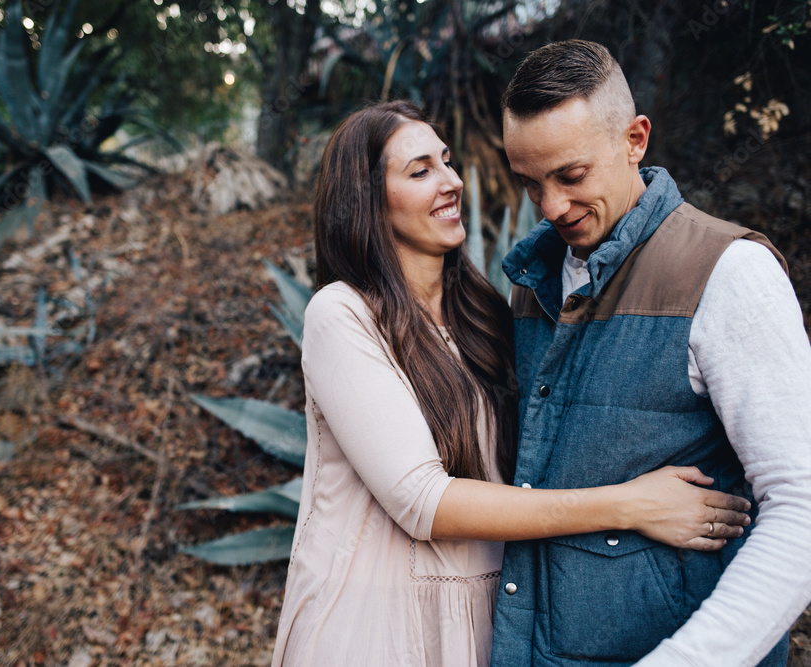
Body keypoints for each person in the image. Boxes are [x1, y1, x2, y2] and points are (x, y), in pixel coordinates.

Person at [270, 100, 753, 667]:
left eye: (446, 162)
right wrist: (632, 505)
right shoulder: (341, 314)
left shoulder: (489, 314)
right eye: (420, 171)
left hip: (491, 618)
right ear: (366, 201)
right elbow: (423, 500)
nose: (450, 182)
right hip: (377, 621)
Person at [491, 39, 811, 667]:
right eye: (530, 183)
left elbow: (800, 509)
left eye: (571, 176)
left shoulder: (731, 272)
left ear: (635, 140)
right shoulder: (533, 282)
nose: (551, 207)